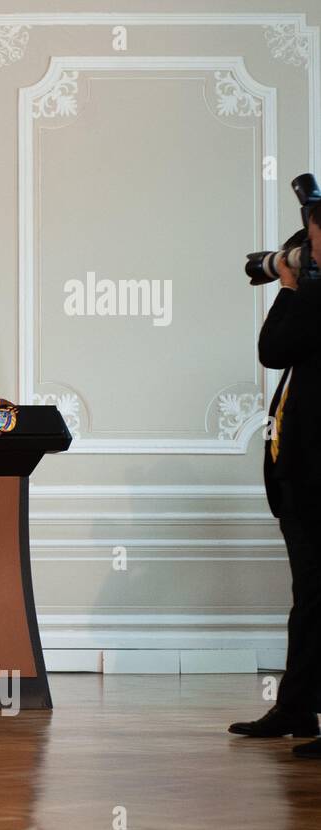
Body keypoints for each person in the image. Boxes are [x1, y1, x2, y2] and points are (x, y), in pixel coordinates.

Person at [230, 208, 321, 757]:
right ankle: (296, 707)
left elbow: (272, 350)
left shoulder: (313, 301)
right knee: (309, 598)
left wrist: (290, 287)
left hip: (314, 478)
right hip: (301, 479)